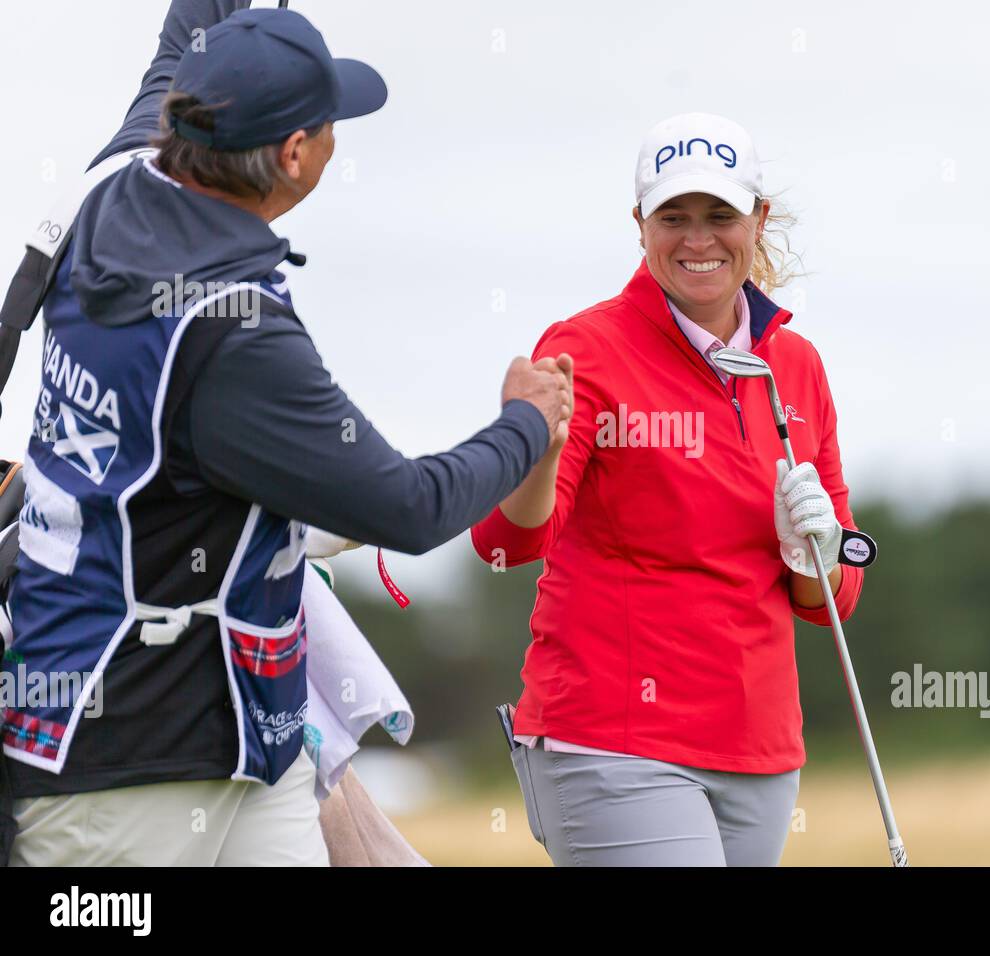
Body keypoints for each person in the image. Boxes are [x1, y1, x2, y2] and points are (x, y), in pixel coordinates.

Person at [0, 0, 571, 866]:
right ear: (297, 155)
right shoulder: (236, 336)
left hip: (243, 741)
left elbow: (187, 31)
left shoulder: (121, 175)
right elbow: (408, 507)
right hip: (121, 767)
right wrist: (525, 423)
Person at [471, 112, 866, 866]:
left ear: (758, 219)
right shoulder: (584, 348)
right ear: (640, 225)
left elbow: (834, 602)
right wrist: (537, 454)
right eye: (673, 217)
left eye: (720, 215)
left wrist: (813, 554)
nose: (697, 239)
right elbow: (507, 542)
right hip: (614, 740)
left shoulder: (799, 365)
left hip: (760, 749)